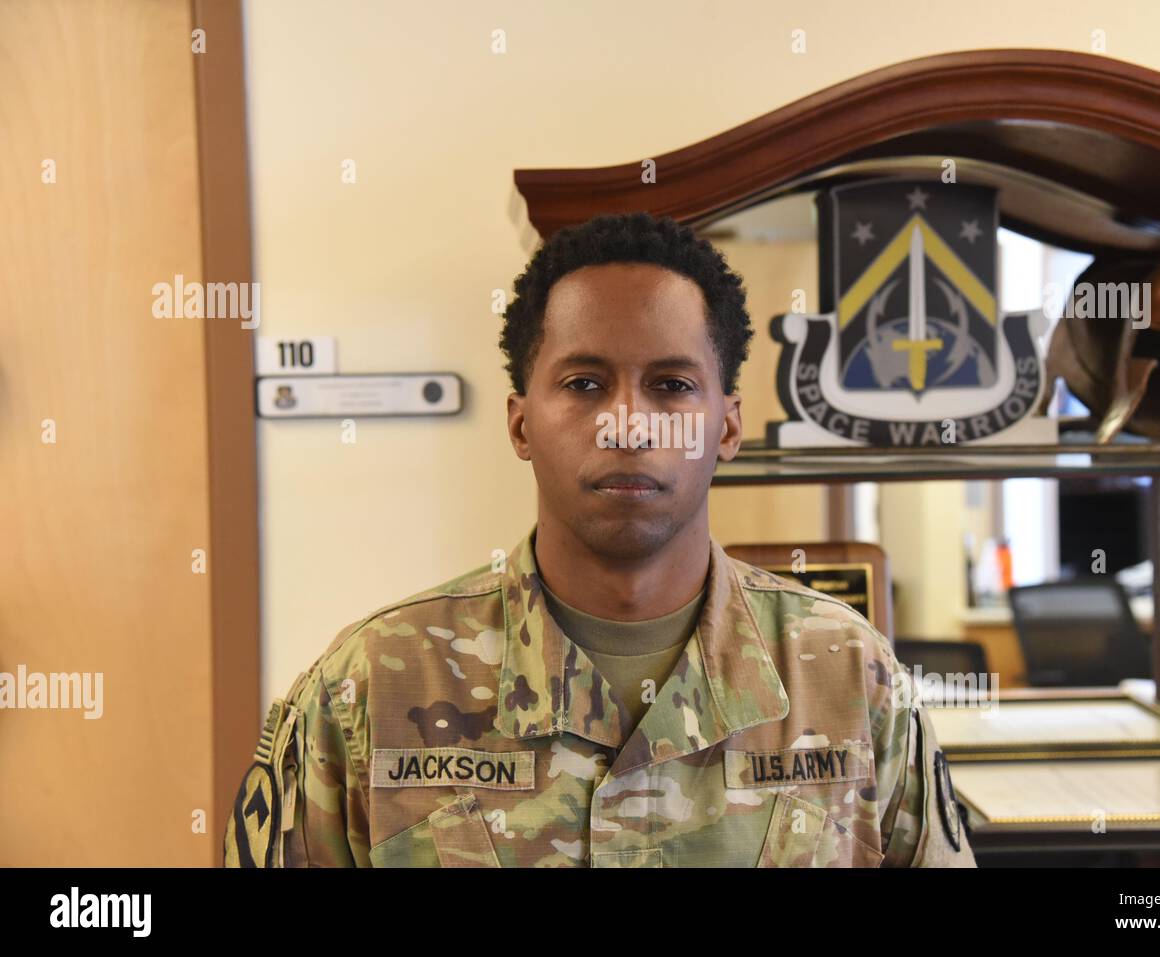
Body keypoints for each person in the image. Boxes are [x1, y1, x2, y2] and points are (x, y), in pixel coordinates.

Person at [223, 212, 975, 868]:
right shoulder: (370, 686)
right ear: (521, 422)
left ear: (729, 425)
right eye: (584, 383)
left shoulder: (850, 679)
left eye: (671, 385)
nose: (627, 422)